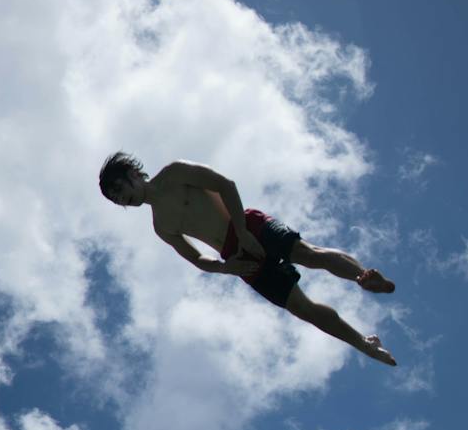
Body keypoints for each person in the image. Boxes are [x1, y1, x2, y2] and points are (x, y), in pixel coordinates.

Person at [98, 152, 398, 367]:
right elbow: (197, 258)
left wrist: (242, 231)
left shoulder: (175, 173)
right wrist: (226, 268)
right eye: (116, 199)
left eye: (120, 189)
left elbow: (225, 184)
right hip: (236, 257)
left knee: (306, 254)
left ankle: (361, 276)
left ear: (133, 173)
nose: (123, 199)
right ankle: (364, 343)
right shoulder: (161, 225)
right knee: (301, 308)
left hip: (247, 225)